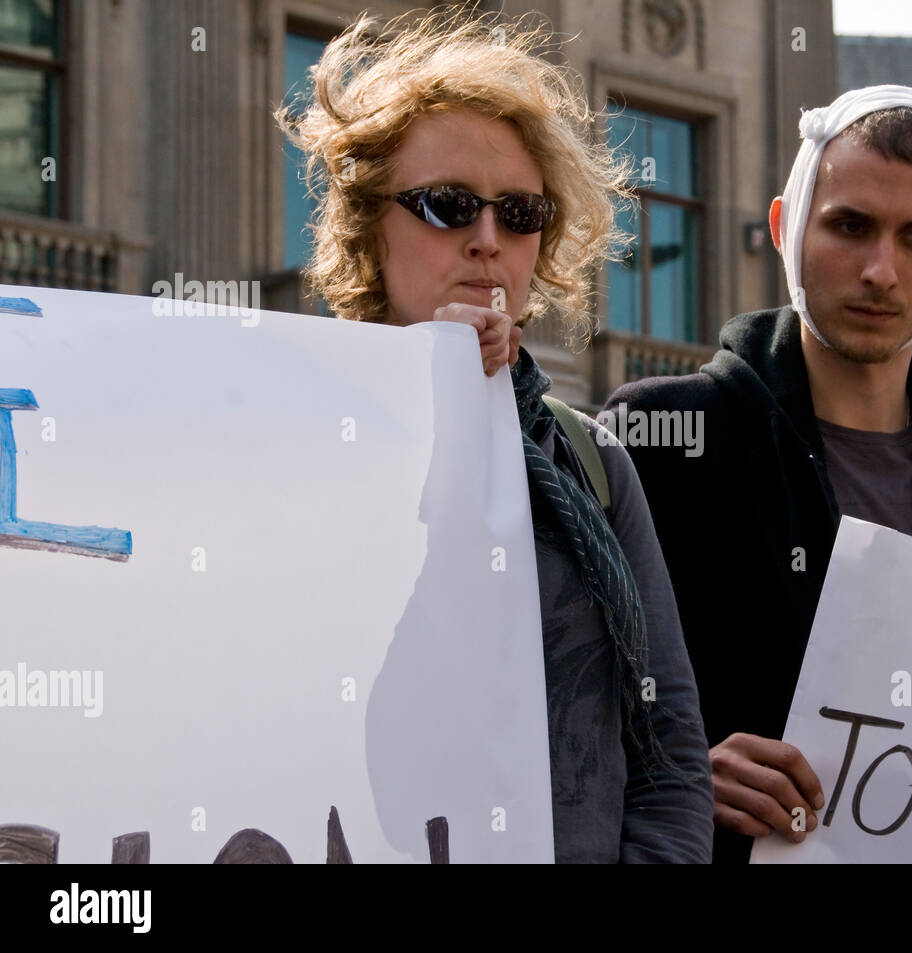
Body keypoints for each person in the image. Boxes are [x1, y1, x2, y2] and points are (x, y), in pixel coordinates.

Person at [277, 10, 713, 863]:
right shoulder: (294, 447)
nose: (487, 240)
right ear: (371, 225)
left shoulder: (594, 467)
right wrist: (442, 409)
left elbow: (669, 752)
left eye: (519, 212)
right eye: (446, 205)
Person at [607, 85, 912, 863]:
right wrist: (687, 775)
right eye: (851, 225)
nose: (882, 270)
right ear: (786, 228)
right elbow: (573, 715)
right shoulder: (656, 435)